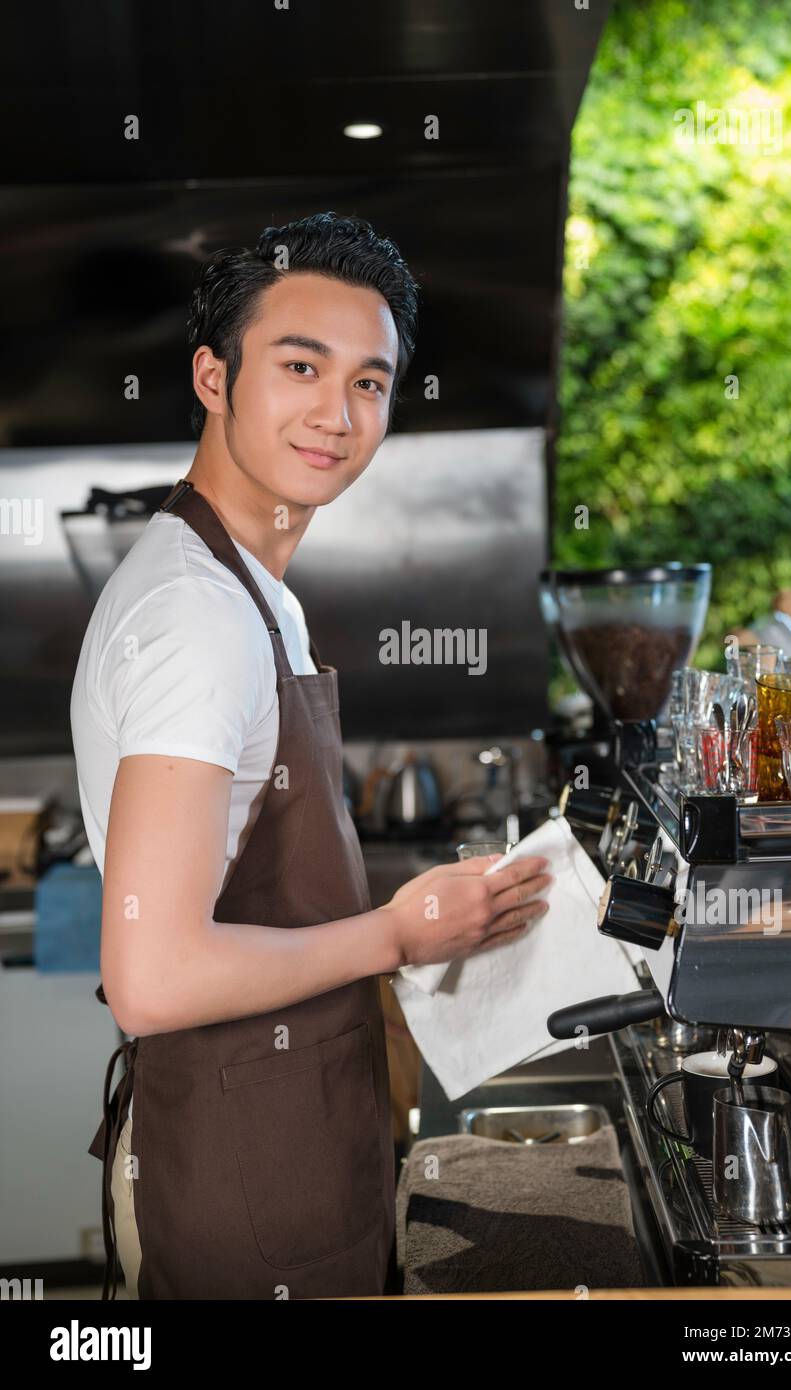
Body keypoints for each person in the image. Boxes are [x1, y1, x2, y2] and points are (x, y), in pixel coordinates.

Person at [70, 212, 551, 1300]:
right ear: (211, 375)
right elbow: (153, 977)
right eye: (300, 365)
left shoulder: (251, 593)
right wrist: (392, 931)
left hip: (285, 1139)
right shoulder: (199, 616)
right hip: (241, 1182)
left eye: (371, 382)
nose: (338, 414)